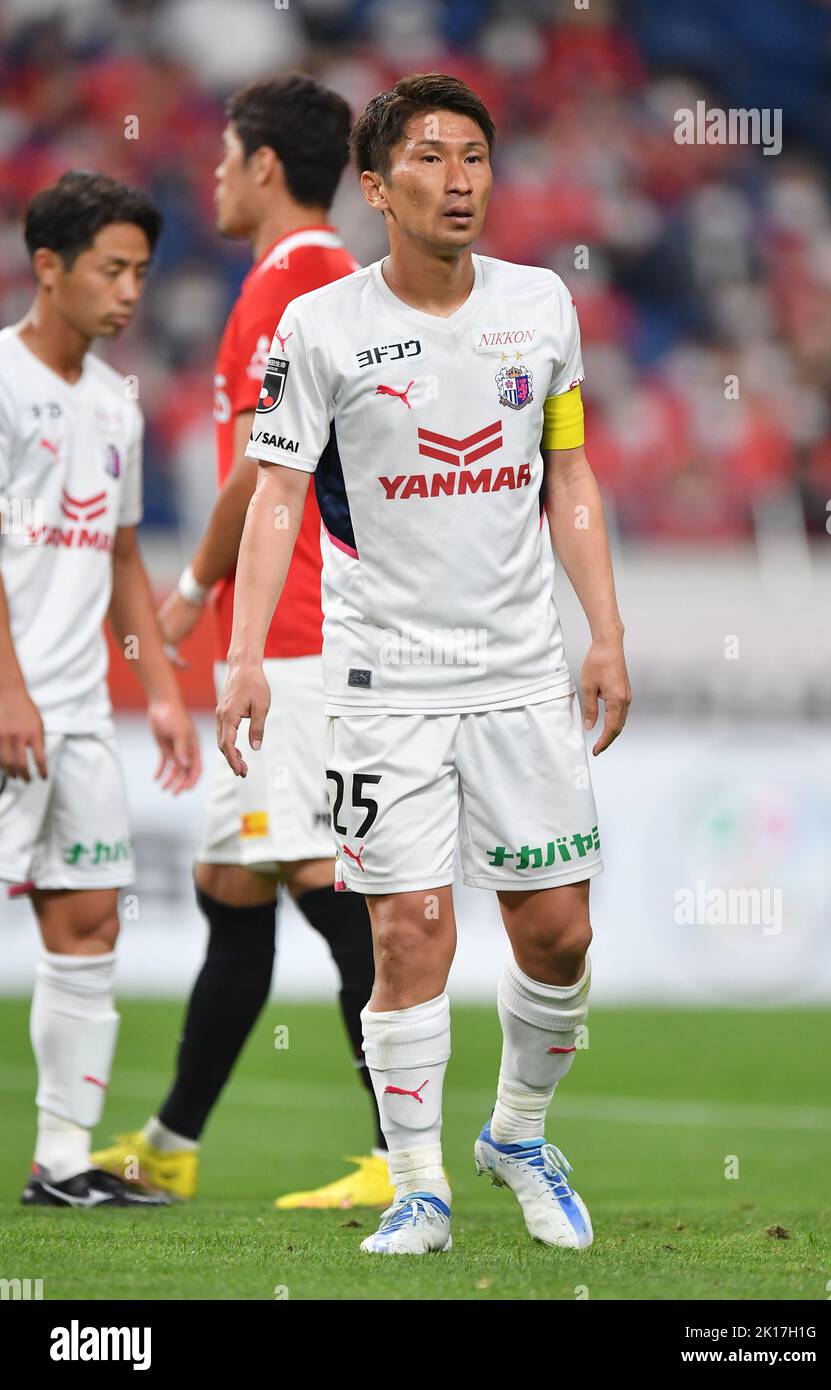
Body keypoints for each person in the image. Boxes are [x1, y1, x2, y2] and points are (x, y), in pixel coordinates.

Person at [216, 72, 631, 1254]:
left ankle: (513, 1132)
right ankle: (417, 1189)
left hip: (516, 672)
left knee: (558, 932)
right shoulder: (321, 325)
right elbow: (278, 495)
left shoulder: (539, 305)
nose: (458, 181)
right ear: (374, 185)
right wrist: (243, 653)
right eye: (431, 159)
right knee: (408, 934)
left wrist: (602, 630)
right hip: (382, 680)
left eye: (475, 159)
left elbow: (570, 476)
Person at [92, 74, 394, 1212]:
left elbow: (257, 468)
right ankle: (170, 1145)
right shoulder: (281, 279)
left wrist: (193, 588)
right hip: (270, 634)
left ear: (265, 165)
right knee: (233, 883)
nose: (212, 174)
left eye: (225, 155)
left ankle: (398, 1153)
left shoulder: (303, 275)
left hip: (303, 633)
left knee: (324, 879)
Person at [0, 170, 201, 1208]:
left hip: (77, 706)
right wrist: (6, 686)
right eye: (111, 269)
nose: (130, 291)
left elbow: (122, 558)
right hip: (9, 699)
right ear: (48, 267)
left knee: (87, 921)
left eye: (141, 272)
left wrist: (161, 690)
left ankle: (63, 1158)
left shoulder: (116, 402)